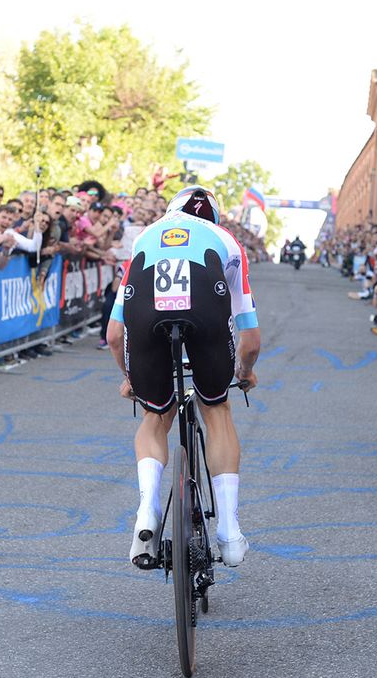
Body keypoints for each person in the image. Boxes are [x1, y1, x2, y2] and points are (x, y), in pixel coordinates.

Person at [105, 187, 260, 569]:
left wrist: (131, 379)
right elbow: (251, 338)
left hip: (145, 315)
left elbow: (113, 335)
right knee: (217, 409)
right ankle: (228, 530)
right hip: (208, 307)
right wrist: (244, 372)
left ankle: (146, 512)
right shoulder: (226, 240)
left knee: (156, 415)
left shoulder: (145, 236)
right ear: (214, 219)